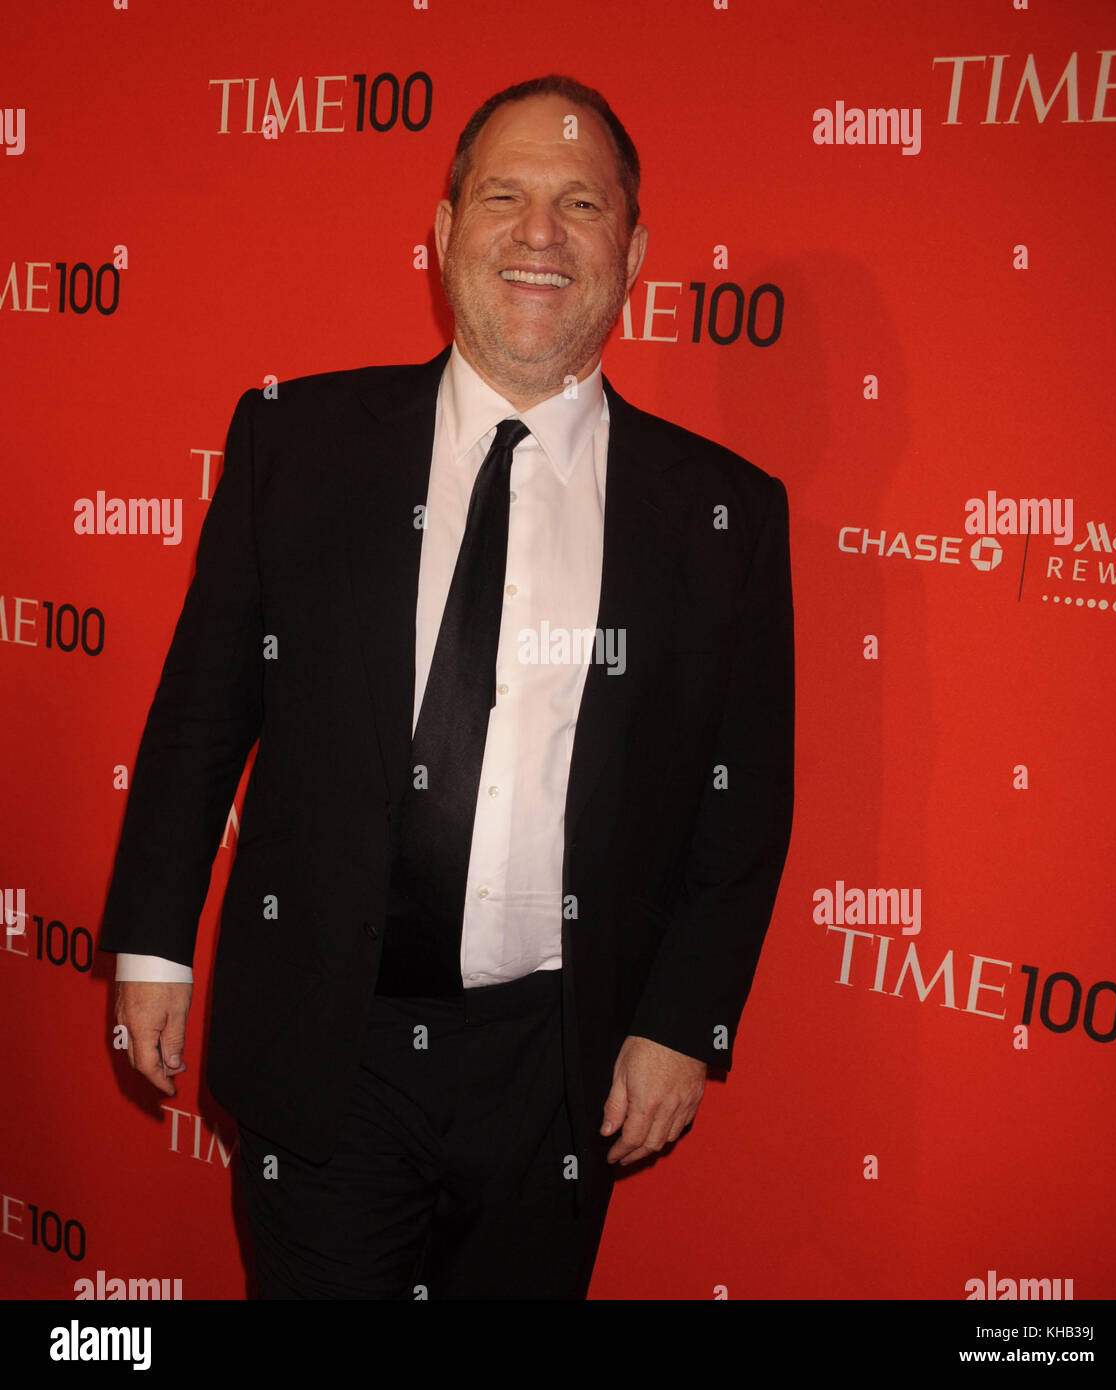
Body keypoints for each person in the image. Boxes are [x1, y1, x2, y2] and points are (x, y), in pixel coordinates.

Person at [99, 73, 794, 1300]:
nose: (540, 234)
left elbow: (742, 807)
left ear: (634, 251)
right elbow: (203, 710)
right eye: (505, 197)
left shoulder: (721, 514)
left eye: (581, 204)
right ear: (442, 231)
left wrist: (685, 1018)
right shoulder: (294, 444)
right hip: (329, 1038)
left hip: (556, 1059)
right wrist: (154, 943)